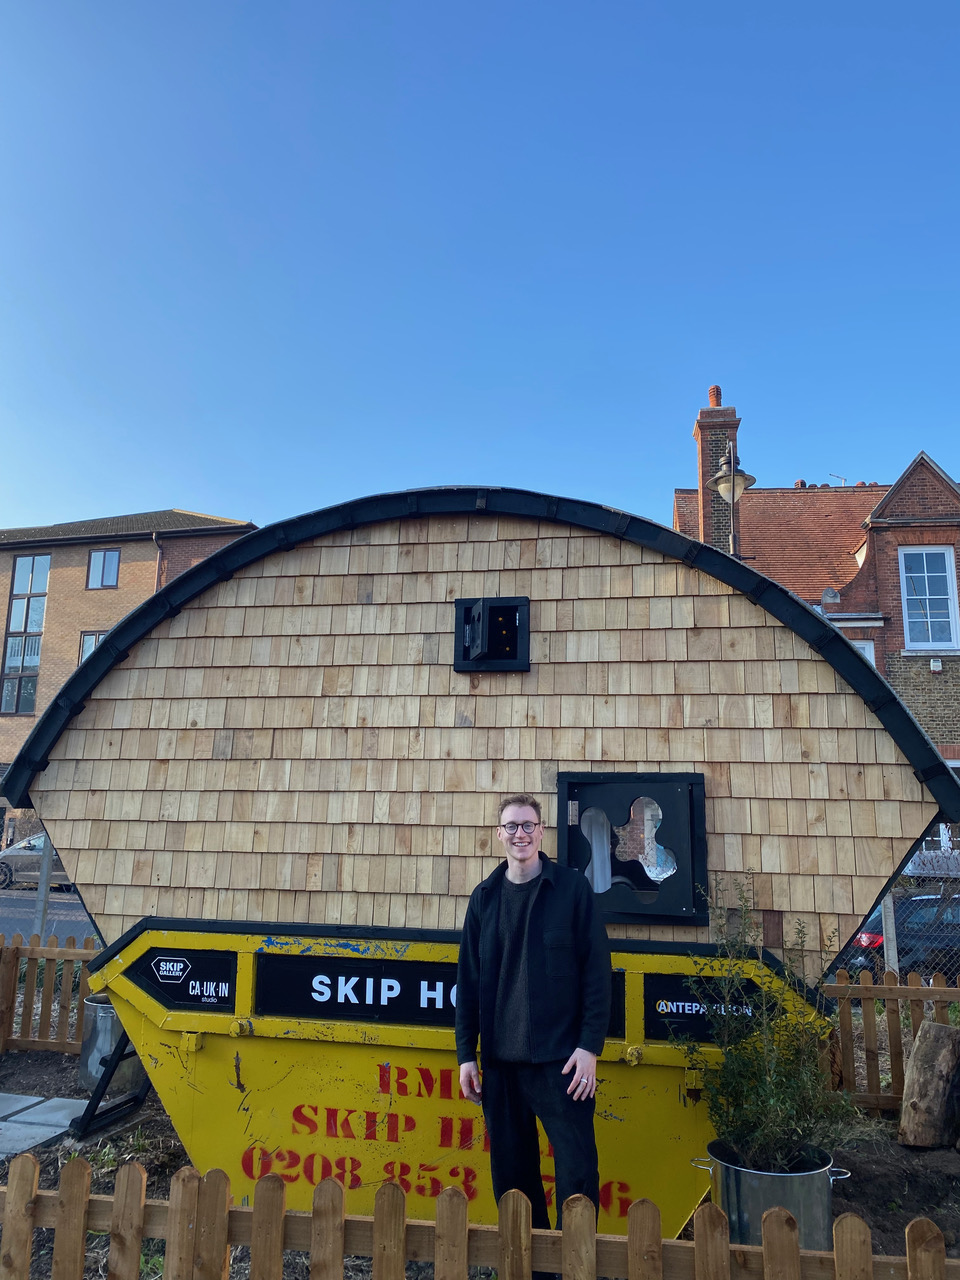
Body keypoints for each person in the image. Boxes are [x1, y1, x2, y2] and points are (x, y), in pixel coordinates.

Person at [455, 793, 612, 1230]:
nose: (519, 834)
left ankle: (575, 1260)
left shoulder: (572, 891)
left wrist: (589, 1048)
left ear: (542, 832)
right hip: (501, 1067)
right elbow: (468, 982)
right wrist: (466, 1054)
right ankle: (528, 1262)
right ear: (499, 834)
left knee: (577, 1174)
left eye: (528, 825)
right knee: (513, 1181)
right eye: (511, 826)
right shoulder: (484, 899)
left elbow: (597, 974)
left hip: (562, 1063)